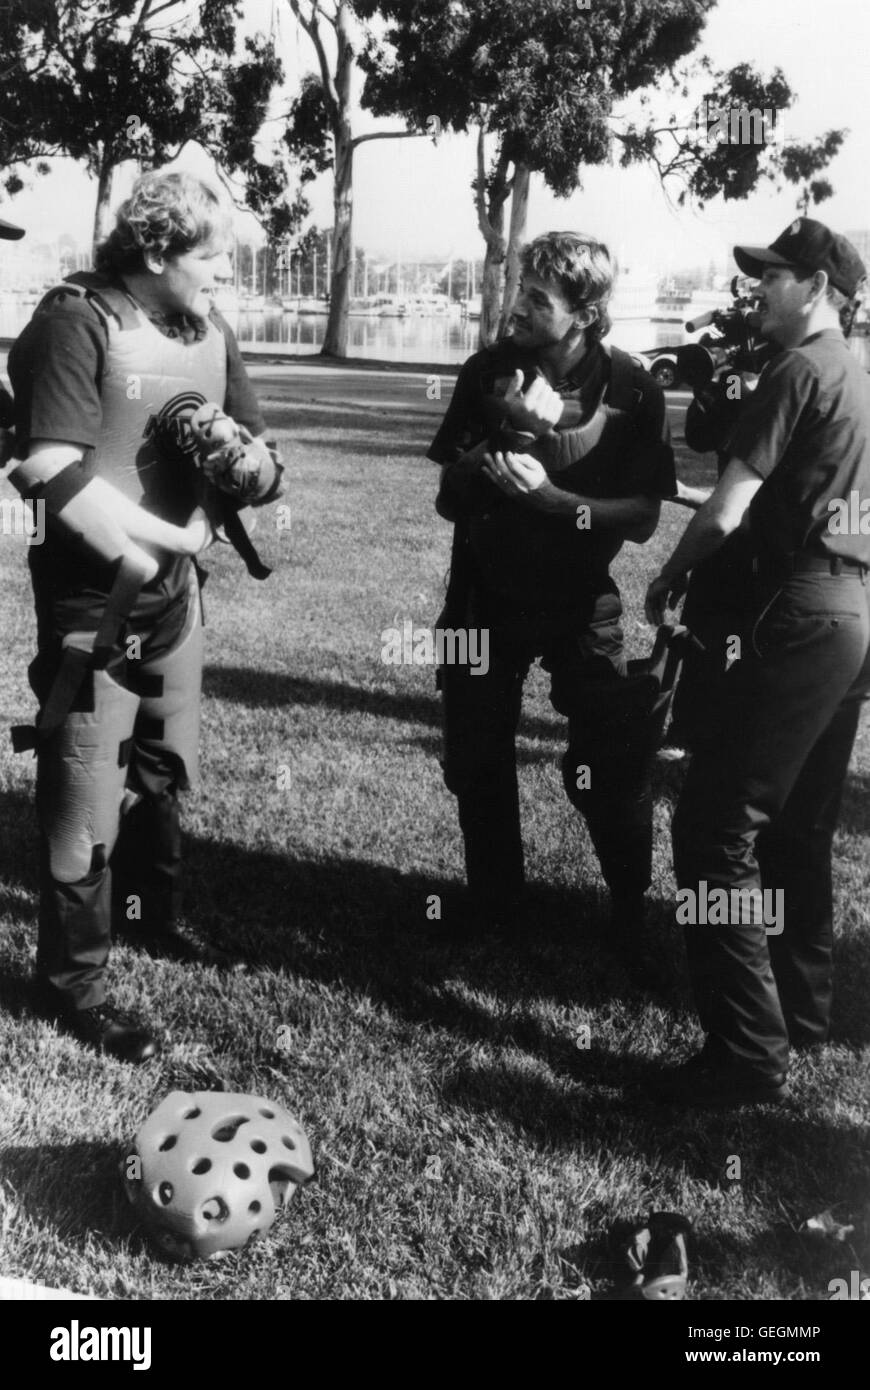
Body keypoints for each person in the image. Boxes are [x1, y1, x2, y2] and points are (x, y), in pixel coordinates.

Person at [5, 170, 284, 1063]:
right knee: (85, 788)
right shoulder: (73, 320)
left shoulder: (207, 329)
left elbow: (263, 450)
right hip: (99, 597)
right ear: (157, 250)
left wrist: (246, 469)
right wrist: (166, 534)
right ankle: (73, 984)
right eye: (213, 256)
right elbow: (47, 467)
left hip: (178, 594)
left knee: (166, 763)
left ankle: (154, 917)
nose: (225, 274)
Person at [645, 217, 870, 1107]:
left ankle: (746, 1052)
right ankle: (802, 1013)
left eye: (774, 277)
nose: (758, 290)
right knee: (800, 823)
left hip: (798, 610)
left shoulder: (799, 368)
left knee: (714, 824)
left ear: (817, 290)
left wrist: (669, 575)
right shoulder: (857, 378)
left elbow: (729, 510)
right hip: (851, 614)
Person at [427, 231, 676, 941]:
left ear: (586, 314)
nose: (518, 306)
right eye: (518, 288)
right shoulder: (487, 372)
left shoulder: (633, 389)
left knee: (611, 757)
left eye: (539, 297)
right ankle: (497, 909)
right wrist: (501, 437)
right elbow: (449, 497)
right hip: (483, 593)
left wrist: (554, 502)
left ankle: (630, 902)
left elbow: (644, 520)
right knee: (476, 760)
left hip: (580, 600)